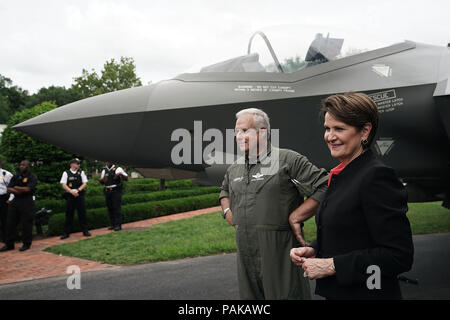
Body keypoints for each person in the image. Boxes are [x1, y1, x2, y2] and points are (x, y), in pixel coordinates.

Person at [290, 93, 414, 300]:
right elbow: (352, 233)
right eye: (327, 128)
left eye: (339, 129)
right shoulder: (343, 173)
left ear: (365, 131)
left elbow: (399, 256)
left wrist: (332, 265)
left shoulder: (376, 176)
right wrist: (314, 249)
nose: (330, 136)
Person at [219, 108, 329, 300]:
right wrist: (227, 211)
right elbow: (224, 191)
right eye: (236, 132)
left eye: (244, 131)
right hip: (245, 253)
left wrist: (297, 216)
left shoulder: (288, 160)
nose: (238, 136)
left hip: (280, 251)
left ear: (262, 131)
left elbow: (325, 186)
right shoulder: (234, 168)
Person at [0, 160, 38, 252]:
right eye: (20, 165)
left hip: (27, 202)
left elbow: (29, 189)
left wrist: (17, 188)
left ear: (28, 166)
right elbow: (8, 189)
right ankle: (9, 244)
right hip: (15, 201)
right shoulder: (16, 176)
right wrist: (20, 190)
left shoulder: (32, 177)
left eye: (23, 165)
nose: (21, 166)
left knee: (26, 224)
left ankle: (26, 244)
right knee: (10, 223)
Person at [60, 158, 91, 239]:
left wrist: (78, 190)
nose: (79, 165)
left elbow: (85, 183)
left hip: (79, 195)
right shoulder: (66, 173)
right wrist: (71, 191)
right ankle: (66, 233)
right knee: (69, 214)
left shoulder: (81, 172)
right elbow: (63, 184)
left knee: (82, 213)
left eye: (79, 163)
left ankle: (85, 231)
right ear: (72, 164)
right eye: (77, 163)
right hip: (70, 196)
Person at [99, 162, 128, 231]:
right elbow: (101, 181)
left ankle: (118, 225)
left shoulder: (118, 168)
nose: (107, 163)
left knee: (116, 208)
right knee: (110, 208)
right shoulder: (104, 170)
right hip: (107, 190)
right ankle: (112, 224)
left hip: (115, 190)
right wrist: (103, 180)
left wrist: (120, 174)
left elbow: (126, 178)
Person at [0, 160, 13, 243]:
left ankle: (7, 240)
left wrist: (10, 199)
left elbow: (13, 187)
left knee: (5, 220)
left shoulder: (6, 174)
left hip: (3, 199)